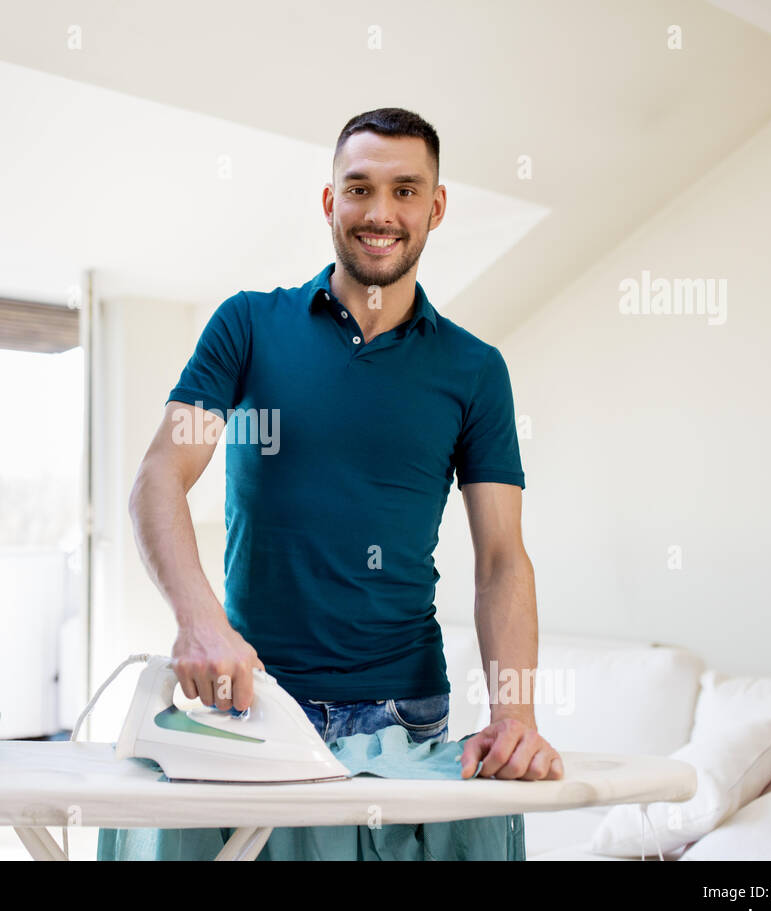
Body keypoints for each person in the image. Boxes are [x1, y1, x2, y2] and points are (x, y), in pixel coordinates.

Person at [118, 107, 561, 860]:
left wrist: (515, 712)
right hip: (253, 708)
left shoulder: (475, 369)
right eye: (358, 188)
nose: (380, 212)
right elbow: (161, 476)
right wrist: (200, 621)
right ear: (331, 203)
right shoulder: (248, 328)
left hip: (406, 718)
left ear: (436, 207)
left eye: (405, 190)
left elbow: (500, 560)